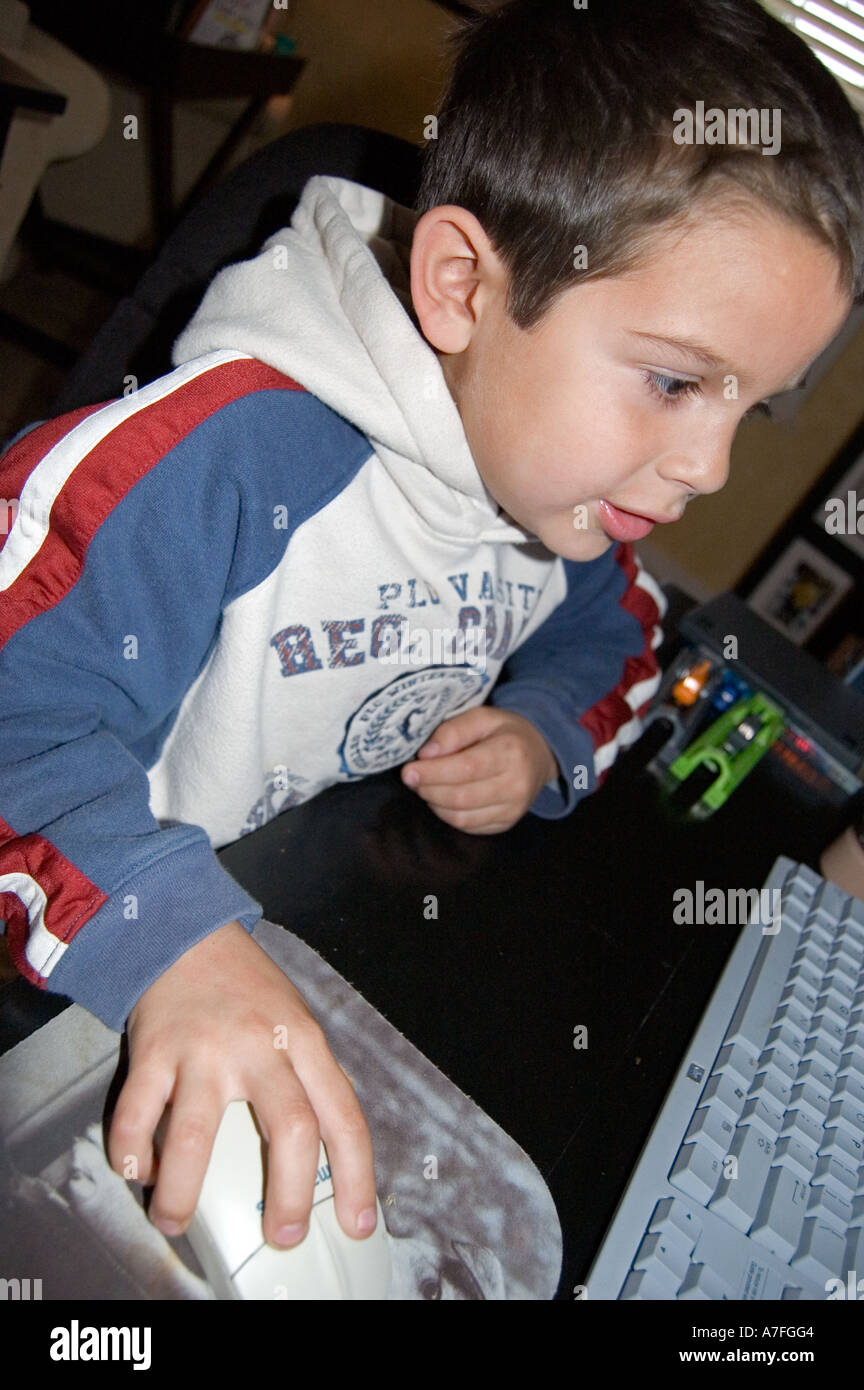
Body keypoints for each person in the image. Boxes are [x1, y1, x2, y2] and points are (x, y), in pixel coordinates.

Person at [1, 0, 861, 1267]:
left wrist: (541, 729)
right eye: (677, 381)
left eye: (750, 410)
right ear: (461, 284)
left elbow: (624, 642)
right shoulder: (228, 458)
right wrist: (165, 933)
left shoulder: (559, 505)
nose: (707, 466)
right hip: (69, 937)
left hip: (264, 904)